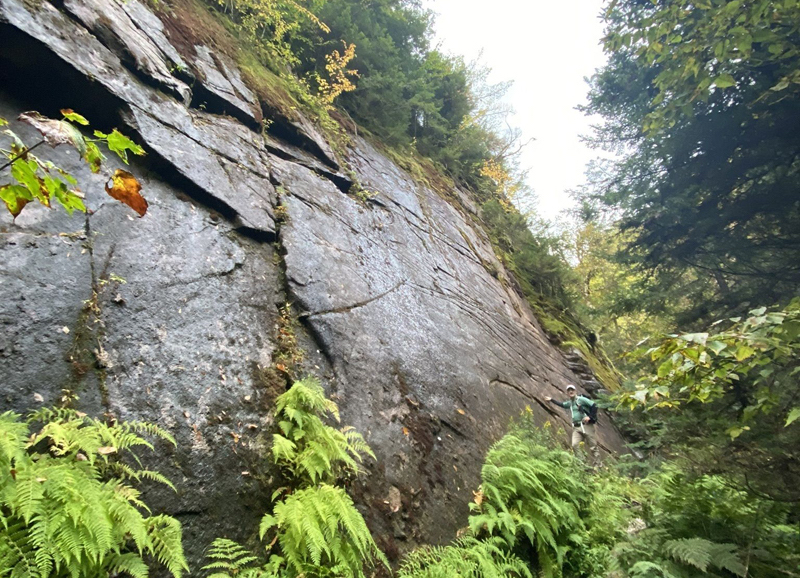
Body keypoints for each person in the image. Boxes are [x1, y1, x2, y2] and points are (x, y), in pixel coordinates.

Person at [545, 384, 600, 466]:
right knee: (575, 445)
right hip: (576, 427)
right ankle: (583, 464)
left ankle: (598, 466)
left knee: (593, 446)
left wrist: (590, 417)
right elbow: (562, 404)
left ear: (575, 391)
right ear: (567, 393)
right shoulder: (570, 403)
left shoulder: (581, 399)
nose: (571, 391)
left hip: (586, 425)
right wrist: (551, 399)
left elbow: (594, 405)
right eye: (569, 390)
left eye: (572, 390)